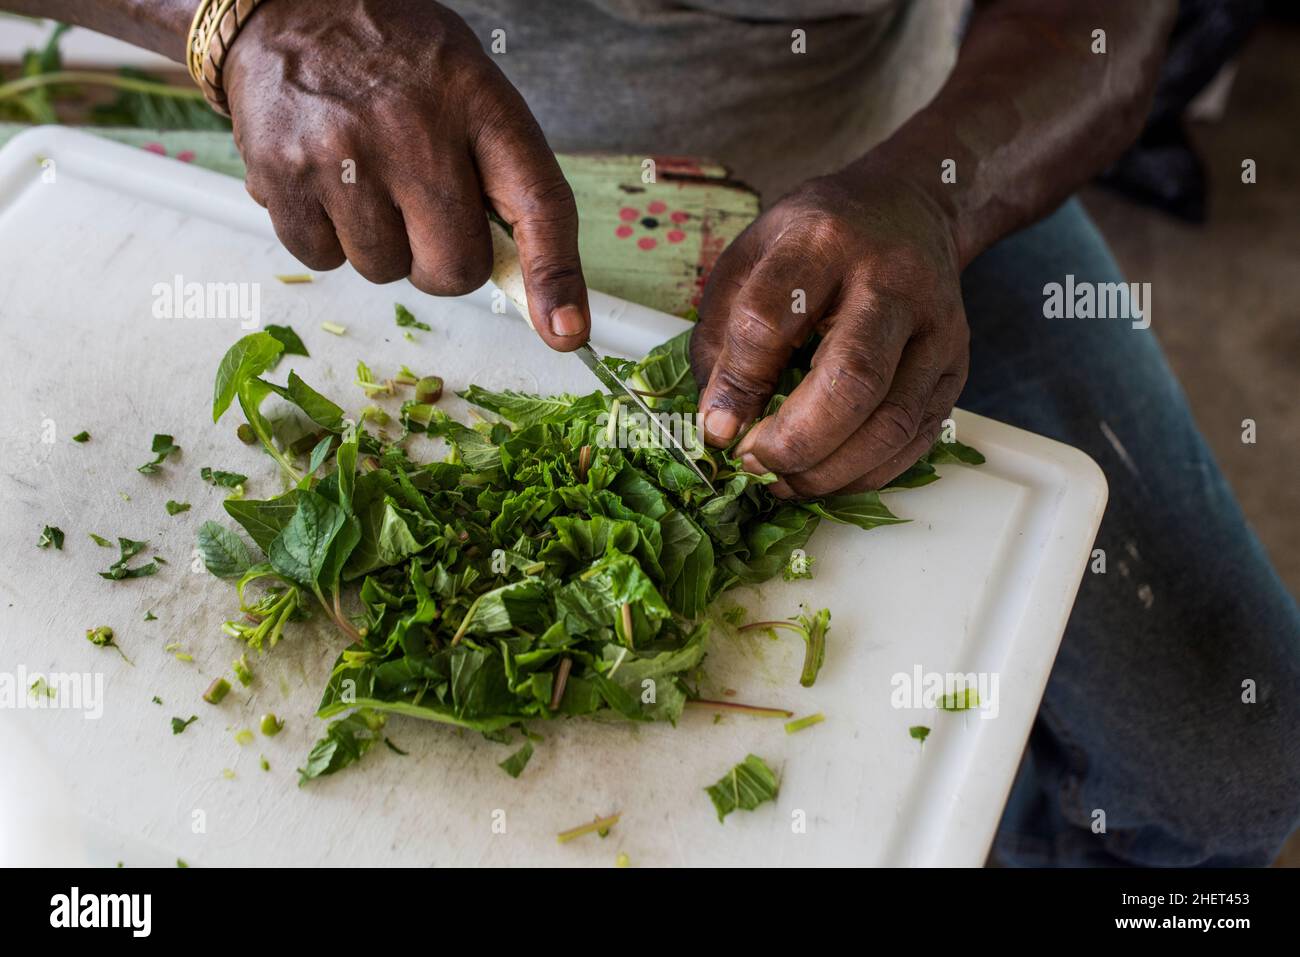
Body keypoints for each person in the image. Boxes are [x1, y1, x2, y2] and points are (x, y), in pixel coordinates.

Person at [15, 0, 1299, 866]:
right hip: (380, 176)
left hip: (880, 193)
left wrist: (934, 194)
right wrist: (235, 22)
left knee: (1230, 769)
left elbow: (1115, 23)